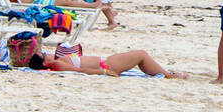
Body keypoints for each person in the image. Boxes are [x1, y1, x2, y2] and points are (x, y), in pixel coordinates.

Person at [13, 37, 186, 78]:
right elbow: (80, 70)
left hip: (107, 60)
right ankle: (168, 75)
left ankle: (165, 73)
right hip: (107, 64)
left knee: (140, 55)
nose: (47, 52)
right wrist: (103, 71)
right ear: (45, 62)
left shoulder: (57, 61)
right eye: (44, 54)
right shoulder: (57, 65)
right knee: (141, 54)